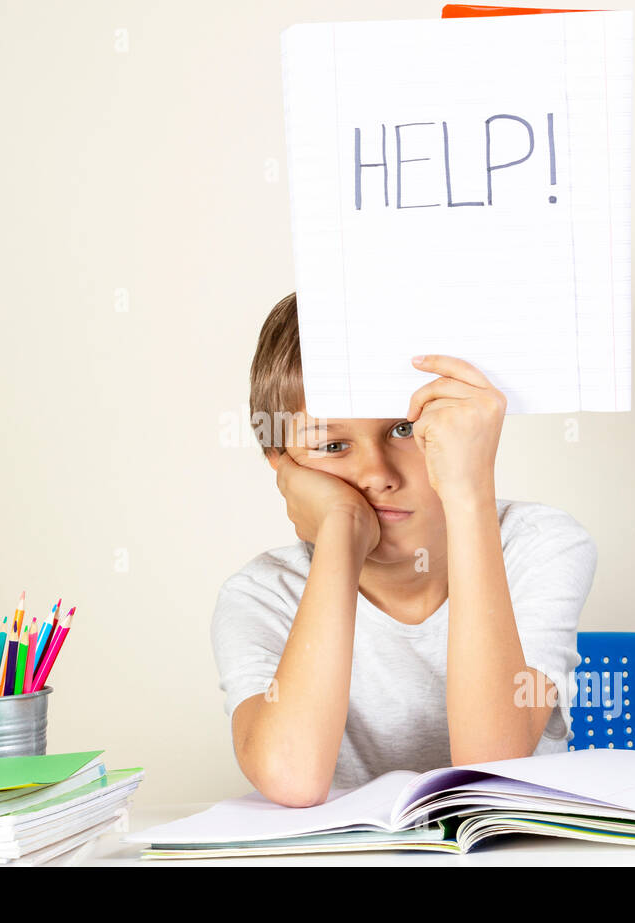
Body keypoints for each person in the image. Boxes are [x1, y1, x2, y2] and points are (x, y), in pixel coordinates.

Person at [211, 292, 599, 807]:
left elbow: (489, 768)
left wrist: (468, 489)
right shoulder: (261, 595)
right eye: (332, 446)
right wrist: (340, 530)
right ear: (282, 465)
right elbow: (292, 778)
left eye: (403, 430)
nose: (377, 475)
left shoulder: (538, 543)